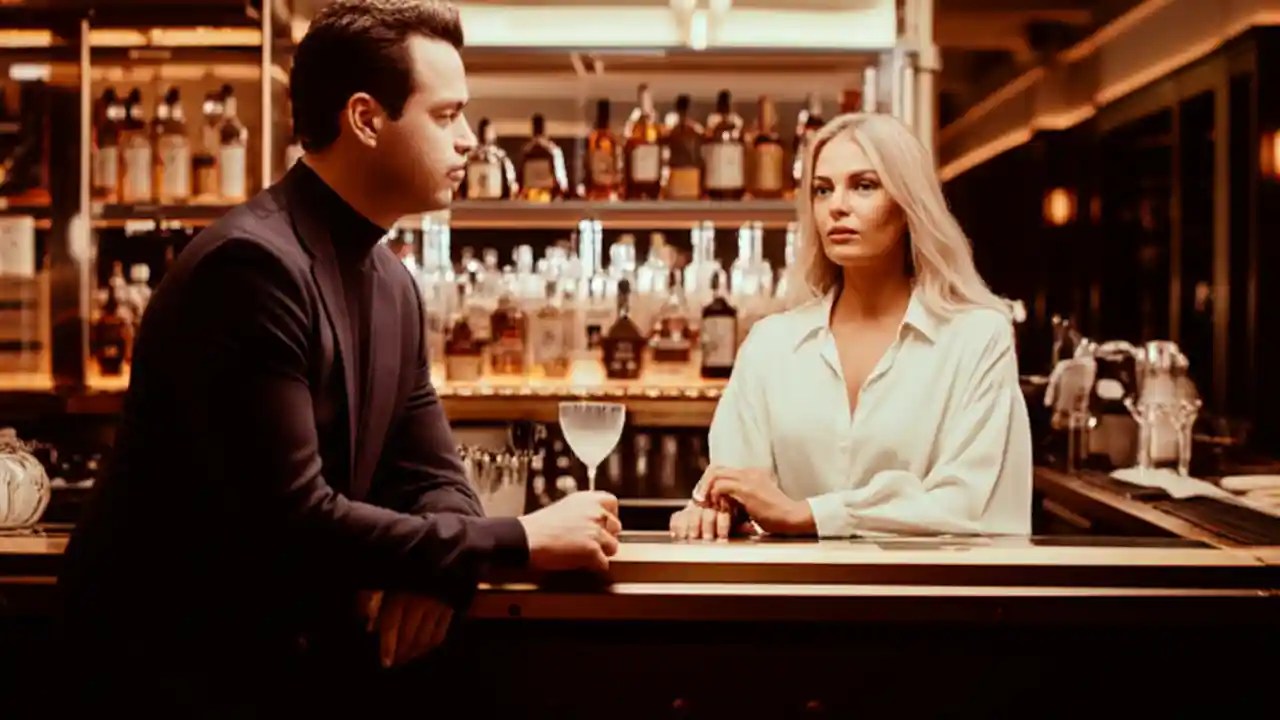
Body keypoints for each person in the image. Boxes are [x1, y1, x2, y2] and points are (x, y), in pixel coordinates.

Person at [57, 1, 620, 714]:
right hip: (163, 671)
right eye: (447, 117)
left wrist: (440, 572)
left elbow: (437, 479)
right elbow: (294, 520)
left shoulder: (393, 284)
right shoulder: (251, 268)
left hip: (276, 667)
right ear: (364, 118)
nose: (470, 141)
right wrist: (519, 538)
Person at [670, 112, 1032, 540]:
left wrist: (807, 515)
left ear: (907, 204)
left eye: (864, 186)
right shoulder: (771, 344)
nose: (837, 206)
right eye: (822, 190)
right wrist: (709, 509)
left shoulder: (976, 337)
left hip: (929, 600)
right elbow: (736, 482)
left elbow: (964, 504)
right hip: (789, 600)